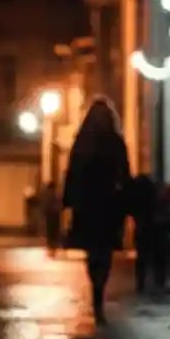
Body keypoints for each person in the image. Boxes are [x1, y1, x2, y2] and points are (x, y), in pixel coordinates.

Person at [62, 97, 132, 325]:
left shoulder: (84, 142)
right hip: (106, 202)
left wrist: (69, 201)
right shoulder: (113, 142)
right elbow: (125, 173)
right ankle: (98, 289)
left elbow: (72, 173)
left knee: (96, 250)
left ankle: (97, 290)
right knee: (103, 249)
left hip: (92, 203)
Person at [128, 174, 165, 292]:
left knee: (143, 258)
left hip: (144, 229)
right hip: (153, 230)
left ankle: (142, 284)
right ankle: (158, 282)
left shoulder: (138, 201)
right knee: (156, 257)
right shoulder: (153, 200)